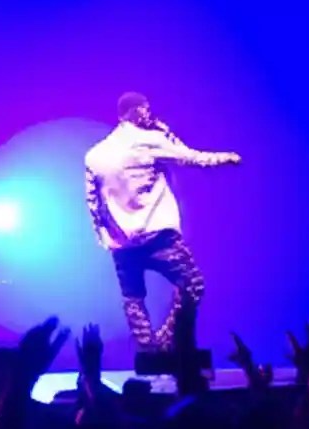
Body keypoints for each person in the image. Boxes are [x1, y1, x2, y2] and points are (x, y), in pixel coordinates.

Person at [84, 92, 241, 351]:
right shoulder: (149, 140)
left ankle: (149, 350)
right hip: (158, 235)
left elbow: (92, 201)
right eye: (146, 109)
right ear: (135, 111)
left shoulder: (94, 155)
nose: (149, 113)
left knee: (133, 298)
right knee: (193, 285)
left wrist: (102, 233)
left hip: (121, 241)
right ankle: (169, 340)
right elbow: (191, 157)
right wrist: (227, 158)